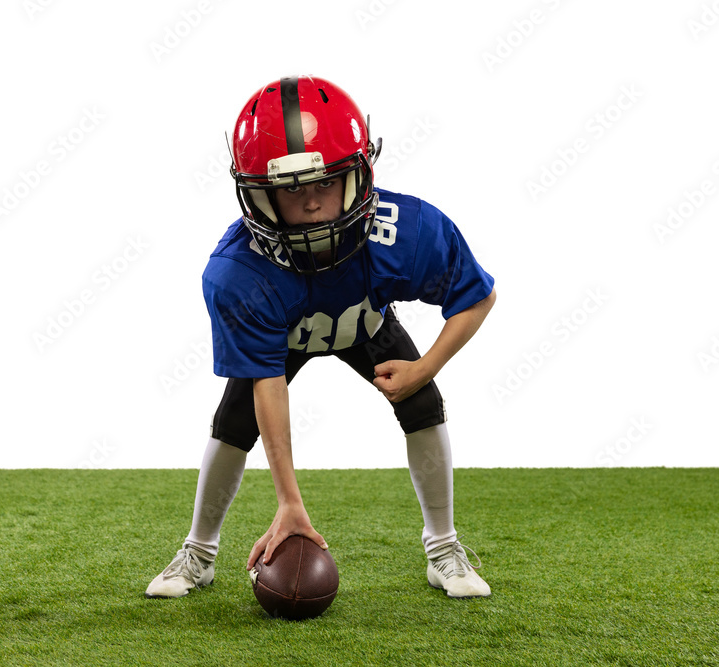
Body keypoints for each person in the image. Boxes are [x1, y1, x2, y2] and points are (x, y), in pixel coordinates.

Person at [146, 75, 496, 600]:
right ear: (258, 195)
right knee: (234, 420)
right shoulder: (238, 273)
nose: (310, 204)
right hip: (283, 335)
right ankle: (199, 553)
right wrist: (289, 501)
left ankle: (443, 547)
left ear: (358, 175)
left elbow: (476, 296)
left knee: (423, 401)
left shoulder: (406, 231)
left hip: (364, 320)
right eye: (290, 190)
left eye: (324, 184)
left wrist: (424, 368)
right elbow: (268, 385)